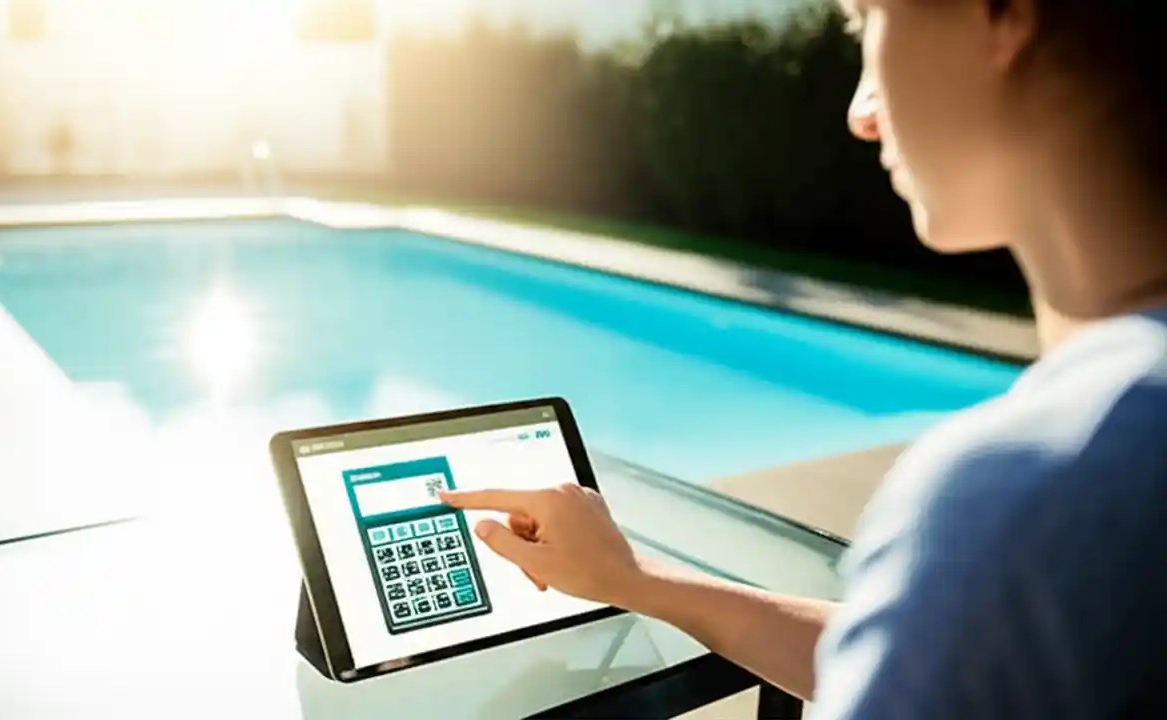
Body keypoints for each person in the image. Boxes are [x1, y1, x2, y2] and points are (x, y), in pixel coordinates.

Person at [442, 0, 1167, 717]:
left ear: (1001, 13)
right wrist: (636, 579)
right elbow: (943, 656)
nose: (860, 111)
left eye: (865, 20)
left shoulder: (1026, 500)